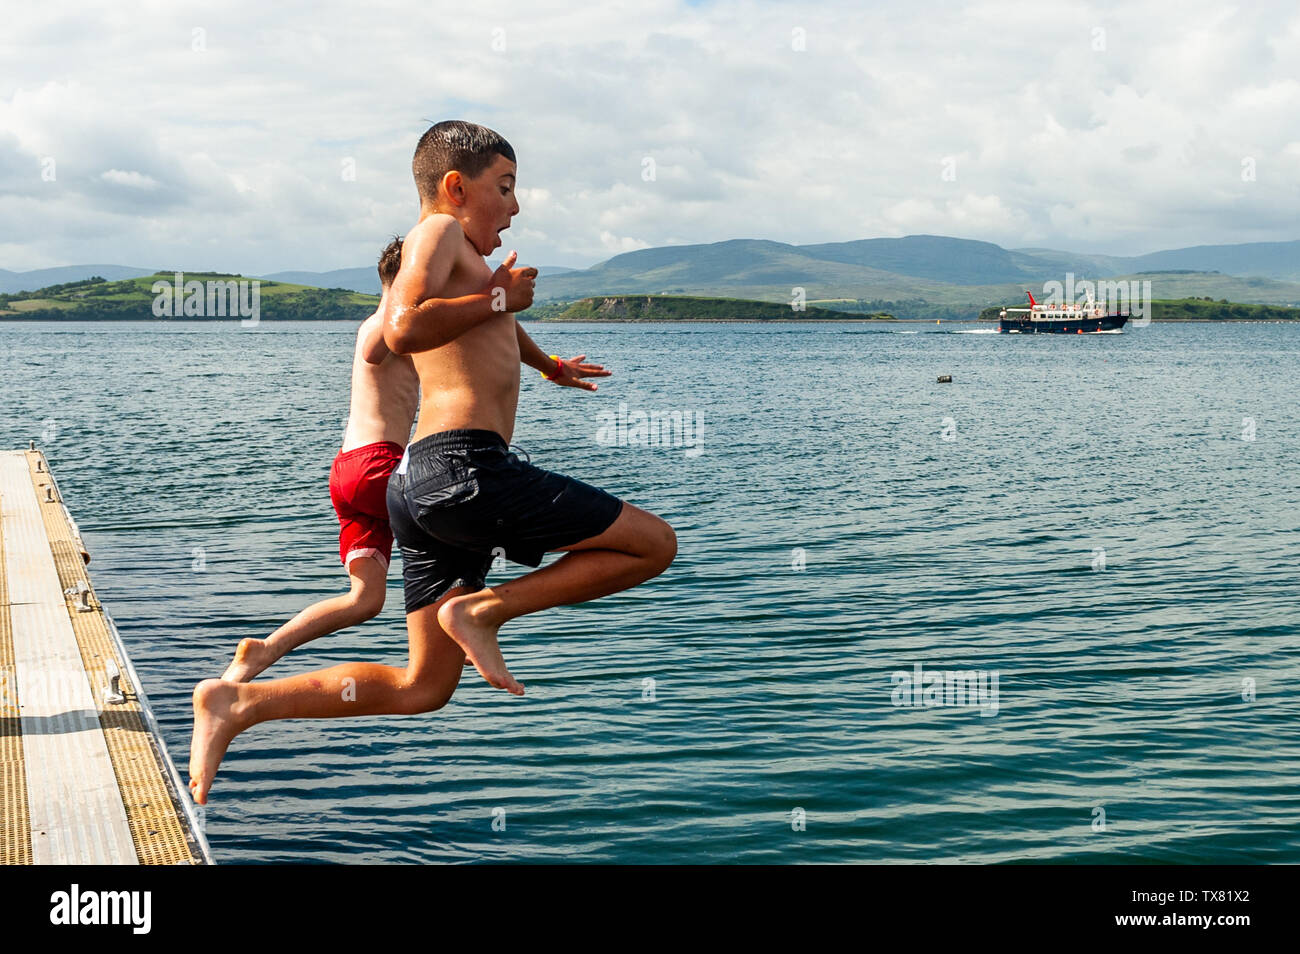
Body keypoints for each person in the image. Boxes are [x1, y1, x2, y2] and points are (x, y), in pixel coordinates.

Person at [188, 120, 673, 805]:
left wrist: (551, 365)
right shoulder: (438, 233)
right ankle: (484, 613)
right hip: (464, 467)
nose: (515, 205)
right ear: (455, 186)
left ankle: (241, 705)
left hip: (420, 488)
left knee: (423, 688)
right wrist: (500, 295)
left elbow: (498, 325)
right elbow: (402, 326)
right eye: (504, 188)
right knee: (654, 544)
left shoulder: (469, 271)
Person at [220, 238, 415, 682]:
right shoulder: (388, 321)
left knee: (364, 600)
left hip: (350, 469)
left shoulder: (387, 322)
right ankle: (457, 627)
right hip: (376, 465)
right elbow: (374, 348)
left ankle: (264, 650)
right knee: (458, 516)